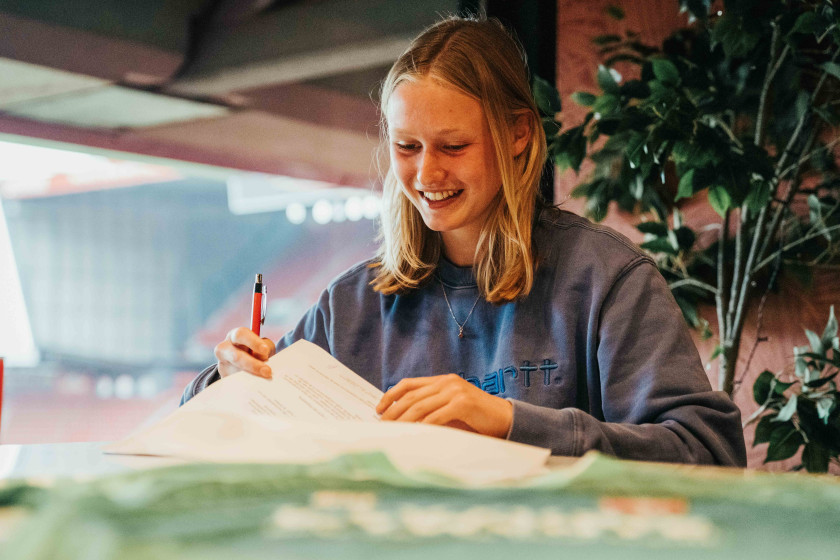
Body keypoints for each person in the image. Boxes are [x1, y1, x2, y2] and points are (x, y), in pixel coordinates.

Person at [181, 16, 747, 466]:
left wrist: (508, 421)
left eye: (452, 146)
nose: (426, 176)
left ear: (519, 134)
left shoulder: (606, 279)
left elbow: (709, 453)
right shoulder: (350, 306)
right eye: (407, 148)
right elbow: (205, 433)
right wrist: (227, 381)